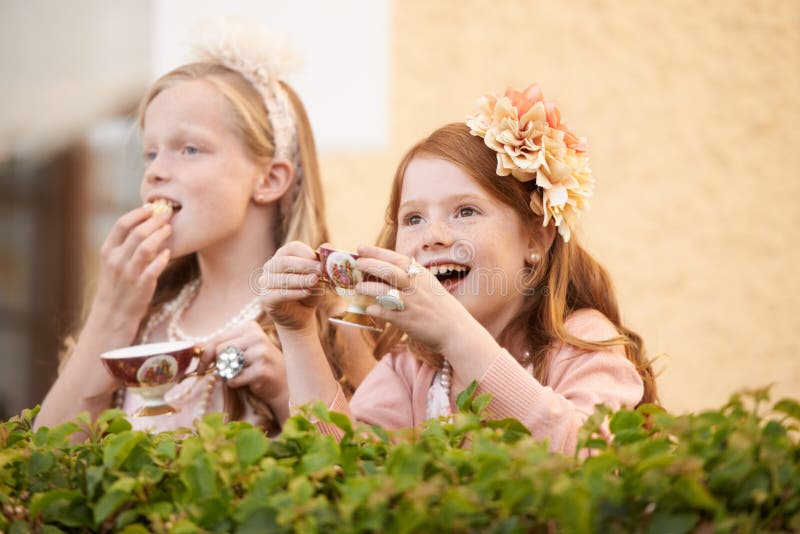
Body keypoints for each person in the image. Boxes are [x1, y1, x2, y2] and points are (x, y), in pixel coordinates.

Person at [260, 83, 657, 453]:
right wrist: (298, 334)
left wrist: (456, 333)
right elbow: (343, 471)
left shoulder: (582, 343)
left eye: (465, 211)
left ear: (537, 239)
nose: (432, 235)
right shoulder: (412, 368)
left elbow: (584, 455)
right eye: (413, 218)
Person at [36, 23, 373, 434]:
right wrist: (112, 310)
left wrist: (285, 386)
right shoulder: (144, 318)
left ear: (269, 179)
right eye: (151, 153)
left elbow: (361, 475)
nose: (156, 172)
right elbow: (46, 464)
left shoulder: (333, 320)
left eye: (189, 149)